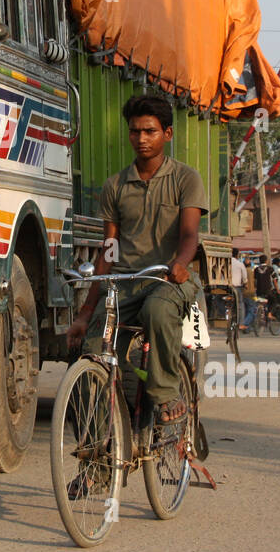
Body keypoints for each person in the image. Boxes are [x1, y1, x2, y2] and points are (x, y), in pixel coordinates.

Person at [68, 95, 207, 425]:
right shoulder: (115, 185)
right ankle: (98, 450)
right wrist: (87, 310)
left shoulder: (186, 179)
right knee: (93, 343)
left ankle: (165, 394)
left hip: (171, 279)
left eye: (150, 131)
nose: (141, 139)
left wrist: (181, 263)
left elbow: (190, 235)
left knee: (157, 310)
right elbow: (110, 247)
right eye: (135, 132)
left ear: (167, 134)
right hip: (127, 281)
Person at [231, 253, 248, 332]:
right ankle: (241, 324)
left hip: (225, 287)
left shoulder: (226, 262)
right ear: (237, 255)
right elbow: (244, 277)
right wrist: (245, 283)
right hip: (236, 287)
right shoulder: (240, 264)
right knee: (240, 304)